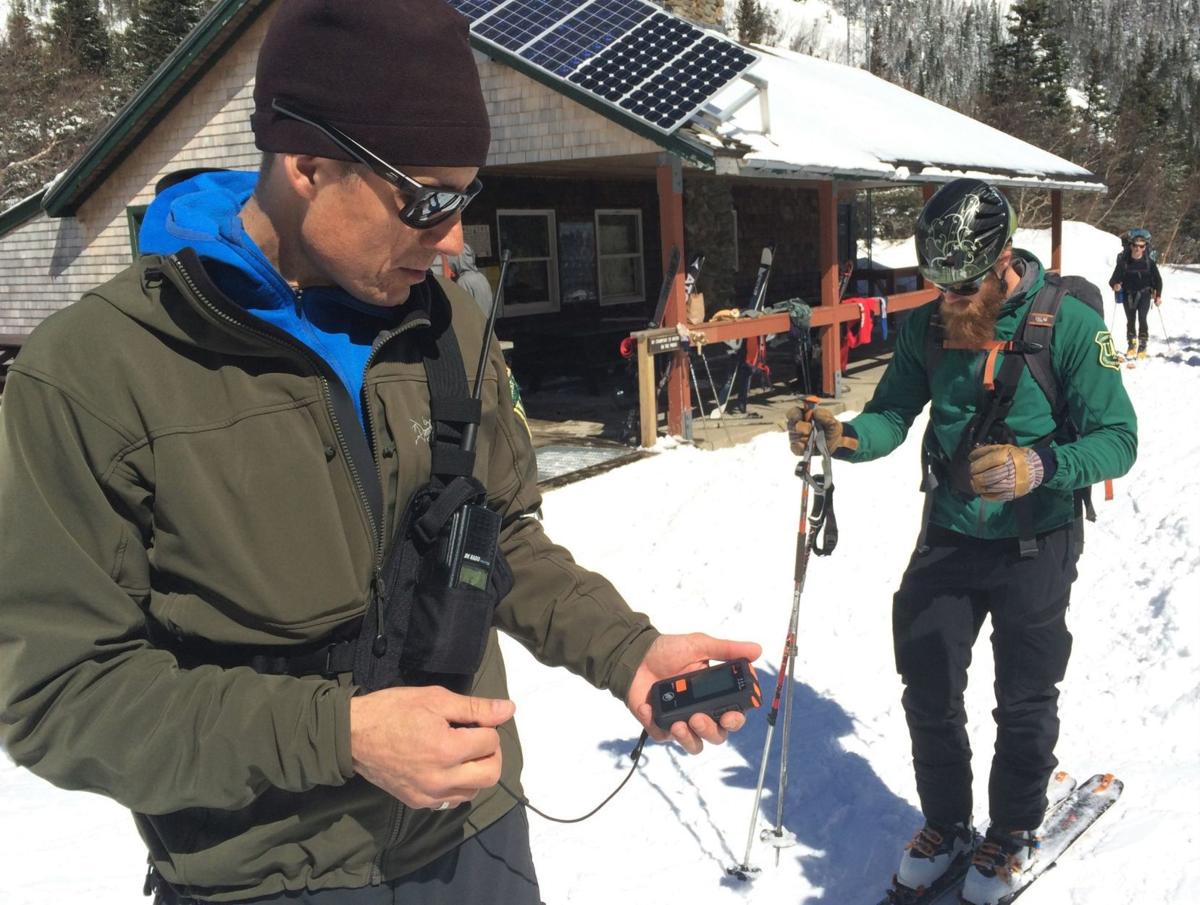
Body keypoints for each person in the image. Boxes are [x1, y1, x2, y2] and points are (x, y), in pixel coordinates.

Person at [0, 3, 760, 903]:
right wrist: (341, 735)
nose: (453, 240)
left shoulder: (446, 326)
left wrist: (626, 650)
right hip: (265, 873)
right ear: (306, 162)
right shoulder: (97, 372)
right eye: (426, 199)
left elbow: (499, 539)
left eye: (465, 196)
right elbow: (62, 691)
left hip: (475, 838)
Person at [787, 179, 1136, 905]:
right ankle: (946, 822)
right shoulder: (929, 324)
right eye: (936, 283)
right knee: (928, 678)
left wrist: (1042, 465)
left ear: (1002, 256)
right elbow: (889, 415)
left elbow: (1119, 438)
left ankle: (1010, 828)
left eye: (964, 283)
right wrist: (843, 434)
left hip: (1035, 541)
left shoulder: (1067, 325)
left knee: (1025, 692)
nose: (950, 297)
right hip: (949, 531)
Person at [1109, 228, 1163, 359]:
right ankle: (1131, 344)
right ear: (1131, 245)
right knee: (1130, 320)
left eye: (1141, 246)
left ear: (1145, 247)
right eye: (1135, 245)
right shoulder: (1123, 263)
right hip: (1128, 295)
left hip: (1144, 294)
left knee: (1142, 318)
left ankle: (1143, 344)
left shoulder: (1149, 263)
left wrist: (1158, 295)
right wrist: (1115, 285)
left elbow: (1158, 280)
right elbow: (1113, 280)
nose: (1137, 248)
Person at [447, 242, 495, 318]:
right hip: (485, 325)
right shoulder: (481, 277)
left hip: (473, 327)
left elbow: (463, 311)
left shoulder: (463, 281)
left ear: (457, 260)